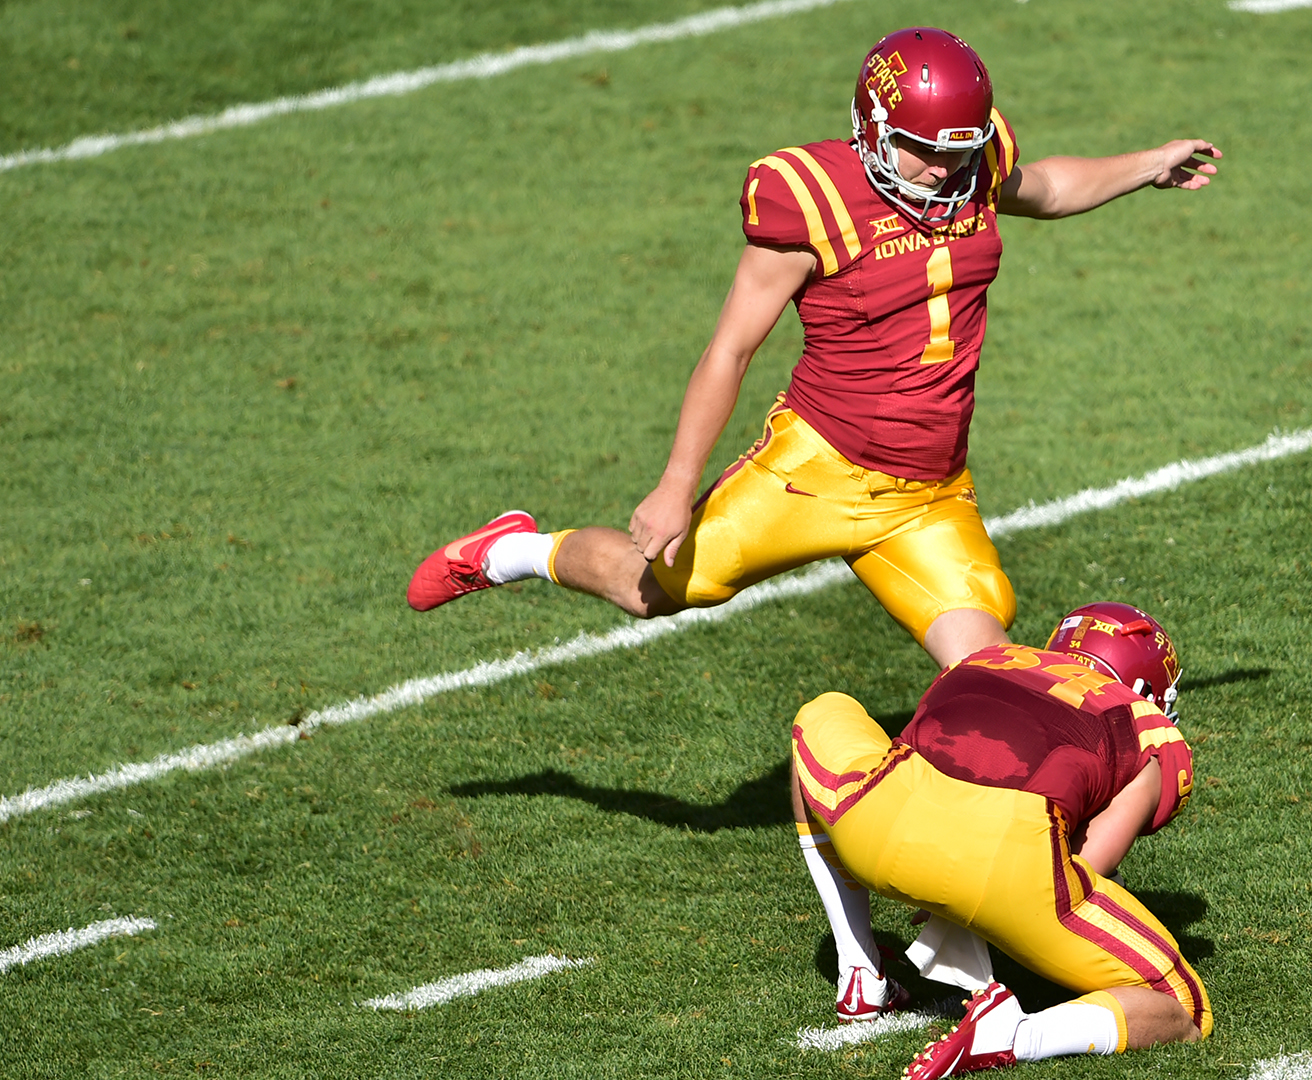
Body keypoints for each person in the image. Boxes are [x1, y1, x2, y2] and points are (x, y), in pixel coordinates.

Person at [404, 27, 1222, 671]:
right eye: (922, 148)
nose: (940, 168)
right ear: (871, 128)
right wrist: (674, 483)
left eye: (955, 149)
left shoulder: (971, 163)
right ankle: (509, 550)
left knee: (988, 674)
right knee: (644, 588)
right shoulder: (813, 199)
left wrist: (1148, 163)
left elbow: (1040, 185)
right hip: (815, 467)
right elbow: (729, 350)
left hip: (926, 494)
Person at [789, 603, 1208, 1074]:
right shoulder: (1145, 725)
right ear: (1144, 687)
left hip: (881, 813)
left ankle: (860, 972)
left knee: (821, 715)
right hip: (1005, 858)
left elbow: (937, 744)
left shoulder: (985, 658)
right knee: (1183, 1008)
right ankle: (1018, 1033)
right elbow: (1088, 861)